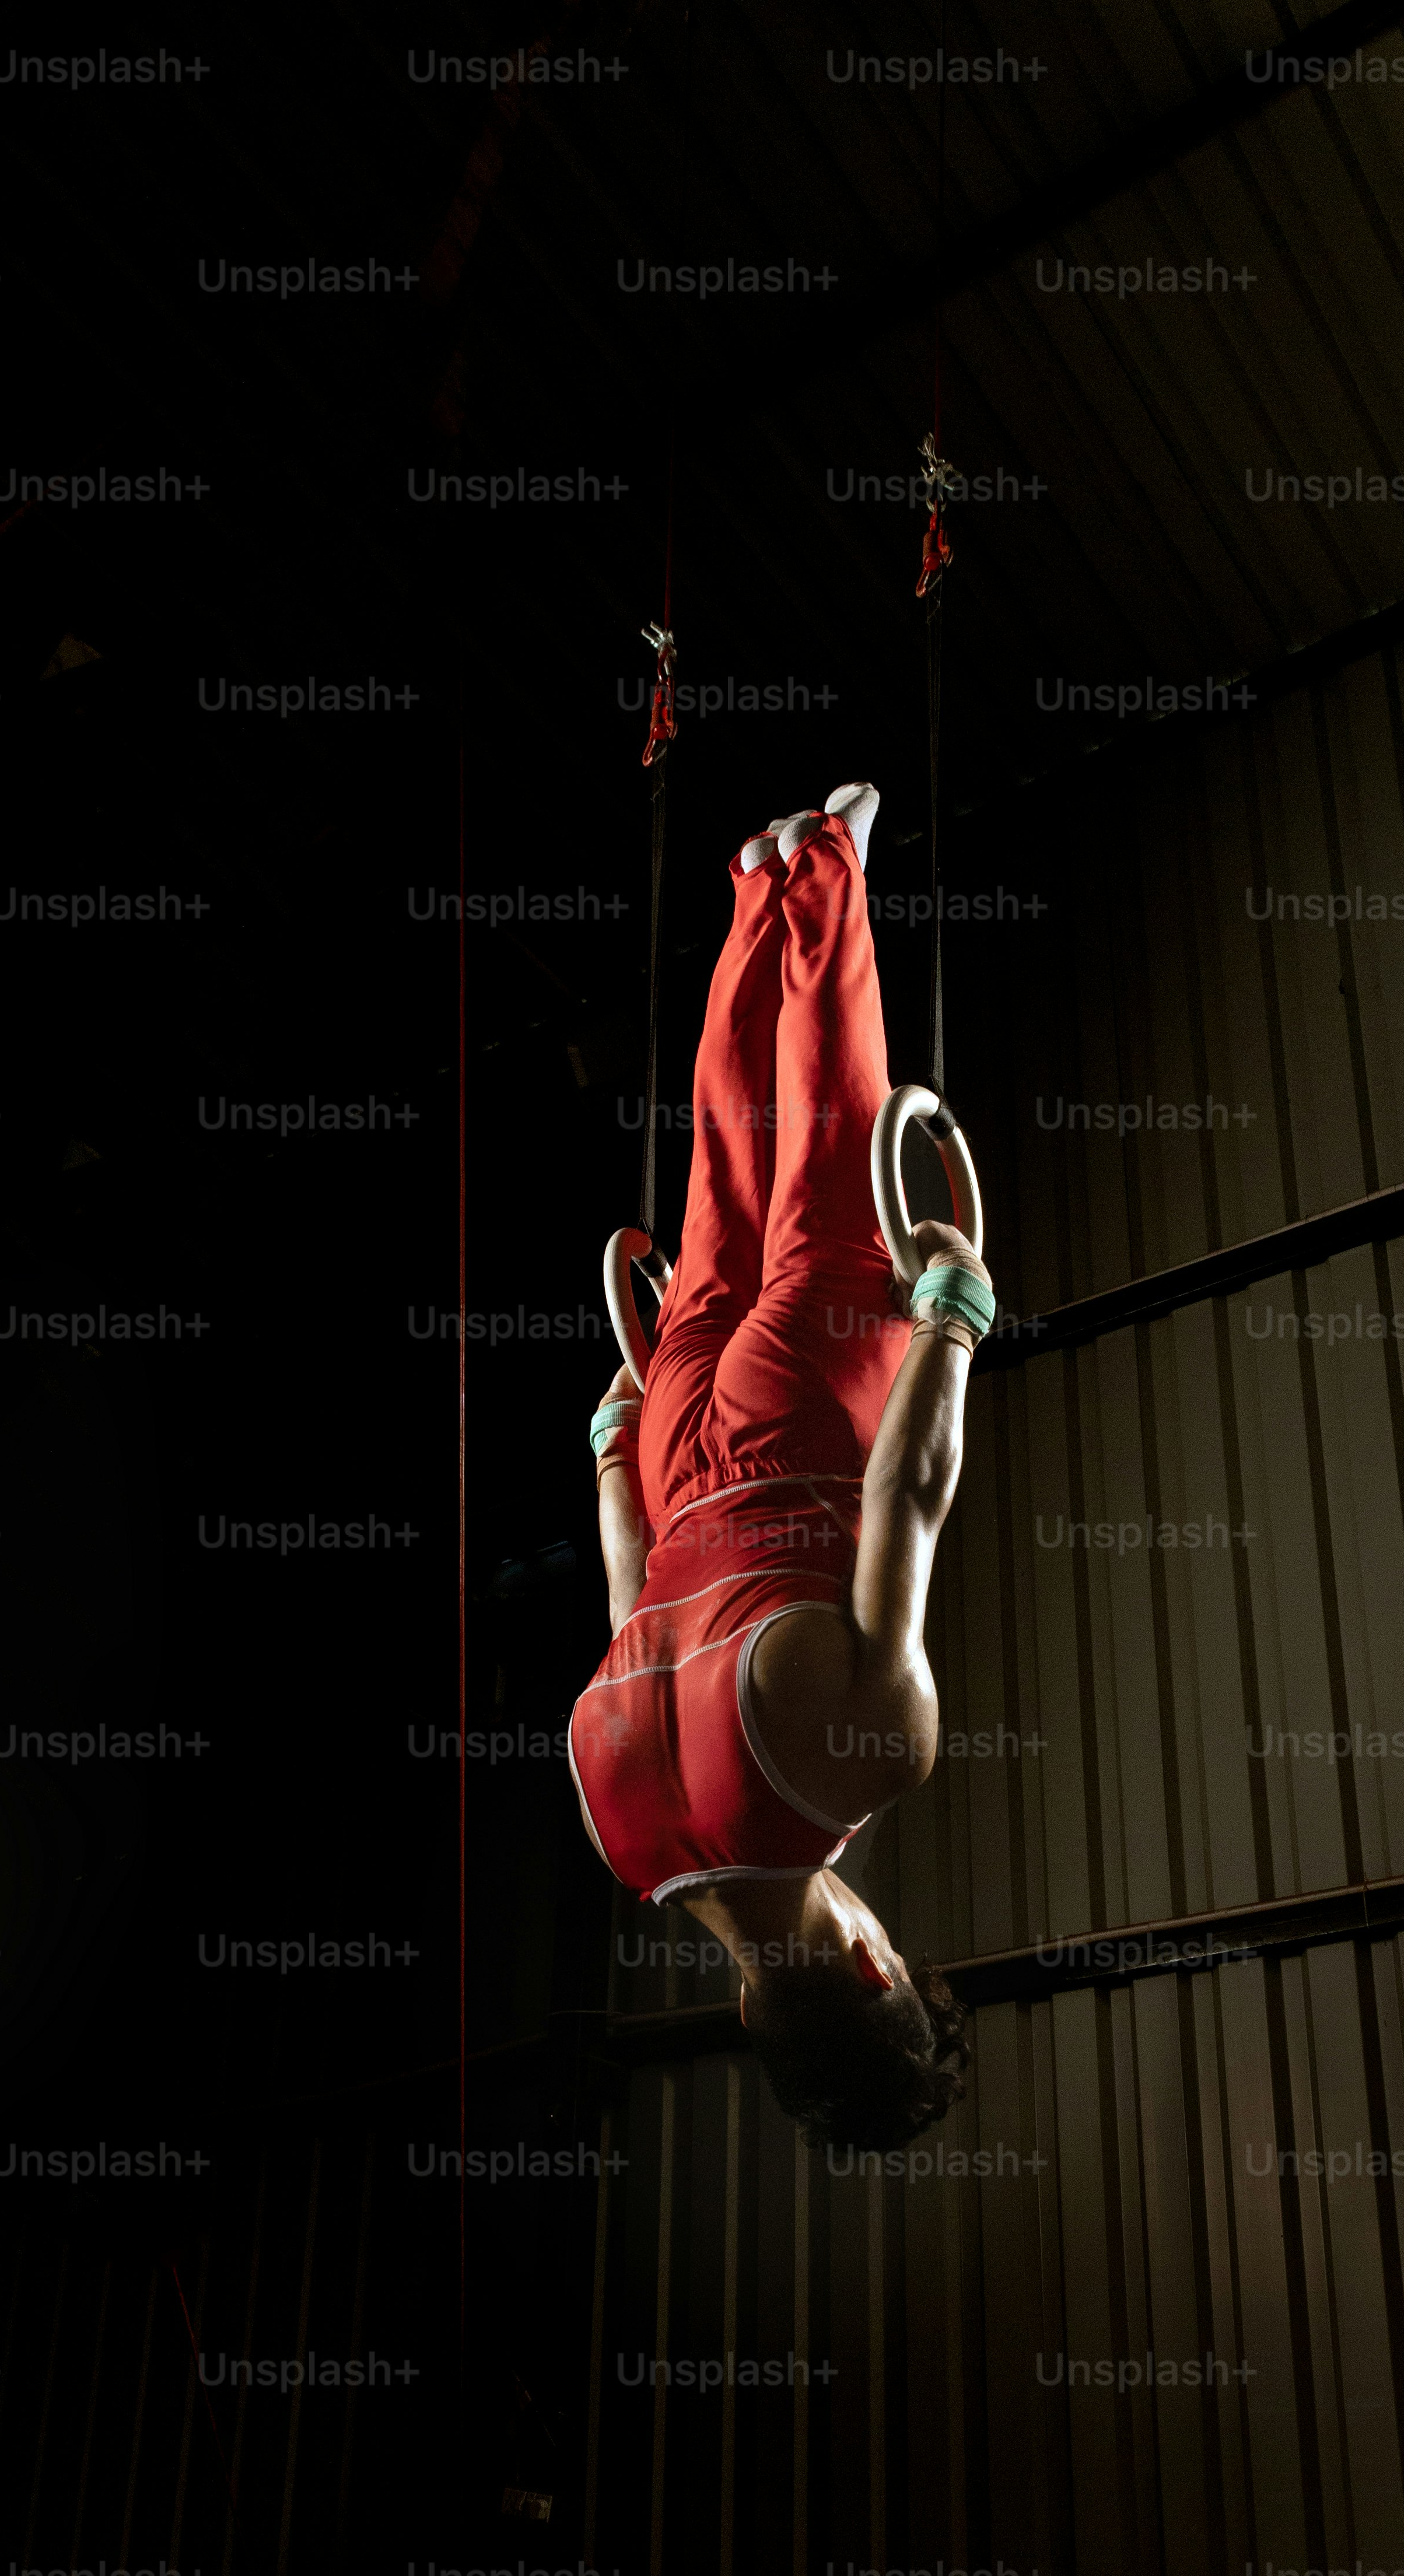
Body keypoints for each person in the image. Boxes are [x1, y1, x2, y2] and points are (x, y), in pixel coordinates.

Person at [568, 784, 993, 2151]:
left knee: (829, 1145)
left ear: (872, 1963)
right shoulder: (618, 1834)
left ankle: (827, 861)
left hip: (799, 1430)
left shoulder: (862, 1762)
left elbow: (906, 1495)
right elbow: (633, 1600)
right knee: (720, 1176)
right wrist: (607, 1448)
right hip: (676, 1449)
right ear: (756, 2013)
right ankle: (756, 890)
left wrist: (955, 1317)